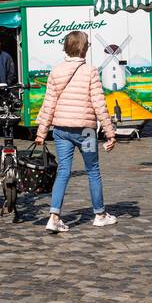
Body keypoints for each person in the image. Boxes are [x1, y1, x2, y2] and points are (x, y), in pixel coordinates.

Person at [35, 30, 117, 233]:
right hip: (85, 131)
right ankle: (99, 214)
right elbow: (99, 103)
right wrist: (110, 132)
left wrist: (41, 132)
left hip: (61, 130)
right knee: (93, 171)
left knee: (63, 171)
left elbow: (49, 104)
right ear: (84, 48)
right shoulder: (90, 71)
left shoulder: (56, 71)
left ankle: (54, 217)